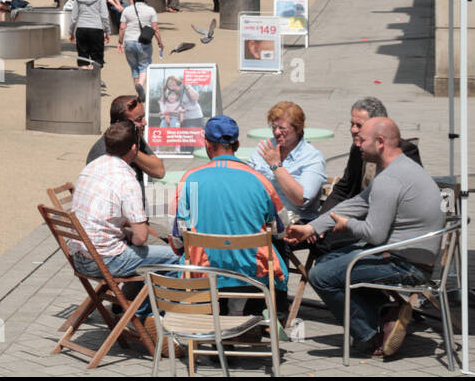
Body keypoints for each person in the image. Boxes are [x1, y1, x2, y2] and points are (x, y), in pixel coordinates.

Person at [285, 117, 444, 358]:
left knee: (321, 275)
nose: (357, 144)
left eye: (362, 140)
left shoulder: (390, 179)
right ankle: (387, 312)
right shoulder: (400, 168)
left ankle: (371, 335)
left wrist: (347, 225)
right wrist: (311, 229)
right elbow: (357, 203)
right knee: (329, 262)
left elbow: (375, 234)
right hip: (411, 256)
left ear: (380, 142)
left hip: (407, 265)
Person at [172, 115, 287, 317]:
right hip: (252, 274)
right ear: (238, 145)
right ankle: (239, 315)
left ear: (206, 144)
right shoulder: (259, 181)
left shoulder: (191, 180)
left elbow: (177, 236)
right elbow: (280, 229)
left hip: (202, 273)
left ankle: (208, 319)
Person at [69, 120, 178, 296]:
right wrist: (133, 237)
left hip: (80, 256)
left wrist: (126, 234)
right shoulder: (126, 179)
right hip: (106, 260)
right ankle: (148, 312)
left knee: (150, 252)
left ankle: (132, 306)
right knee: (176, 258)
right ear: (134, 149)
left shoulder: (92, 167)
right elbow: (141, 238)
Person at [322, 97, 423, 214]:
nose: (353, 130)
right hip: (358, 214)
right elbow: (343, 189)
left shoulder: (405, 152)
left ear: (377, 127)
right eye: (352, 124)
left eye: (359, 125)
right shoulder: (357, 149)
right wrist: (319, 222)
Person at [248, 101, 327, 222]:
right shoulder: (265, 147)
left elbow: (301, 199)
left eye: (282, 128)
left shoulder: (312, 158)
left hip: (296, 223)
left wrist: (276, 166)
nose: (277, 132)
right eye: (274, 127)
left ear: (298, 128)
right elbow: (247, 181)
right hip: (261, 218)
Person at [84, 94, 166, 194]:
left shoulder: (134, 136)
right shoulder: (101, 153)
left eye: (143, 117)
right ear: (120, 123)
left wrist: (132, 153)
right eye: (138, 120)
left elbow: (159, 171)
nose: (145, 122)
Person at [118, 0, 162, 101]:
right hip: (144, 42)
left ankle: (138, 94)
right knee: (144, 65)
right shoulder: (151, 10)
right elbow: (155, 28)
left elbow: (122, 27)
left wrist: (119, 42)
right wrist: (160, 42)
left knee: (134, 68)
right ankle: (141, 86)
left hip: (129, 41)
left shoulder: (127, 10)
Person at [69, 0, 110, 72]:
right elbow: (104, 15)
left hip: (82, 28)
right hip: (96, 28)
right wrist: (108, 31)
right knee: (97, 58)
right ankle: (95, 81)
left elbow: (74, 17)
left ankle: (85, 80)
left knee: (83, 58)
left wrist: (71, 31)